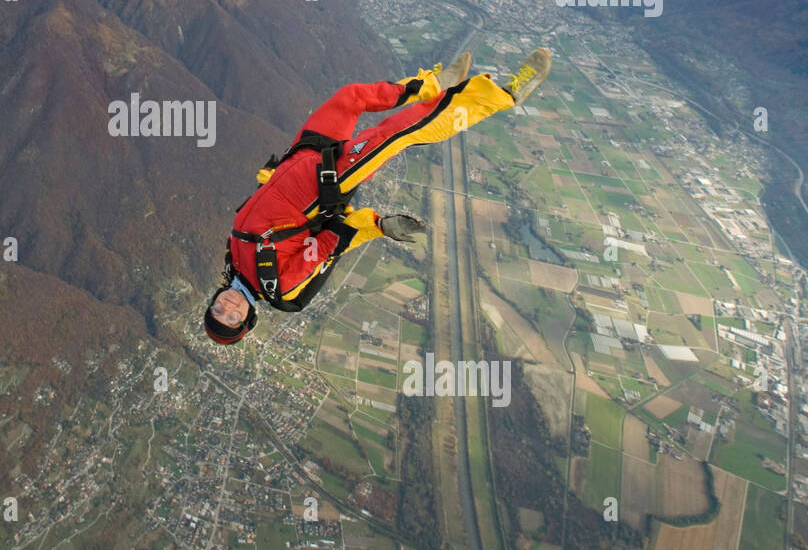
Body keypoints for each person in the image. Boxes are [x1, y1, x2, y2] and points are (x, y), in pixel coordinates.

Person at [202, 48, 551, 344]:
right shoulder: (278, 286)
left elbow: (260, 217)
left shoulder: (232, 262)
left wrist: (270, 179)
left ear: (214, 300)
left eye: (218, 309)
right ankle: (502, 96)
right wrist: (379, 225)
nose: (227, 308)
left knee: (350, 97)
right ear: (247, 322)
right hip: (321, 184)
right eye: (232, 319)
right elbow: (328, 243)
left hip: (298, 159)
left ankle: (433, 84)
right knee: (397, 134)